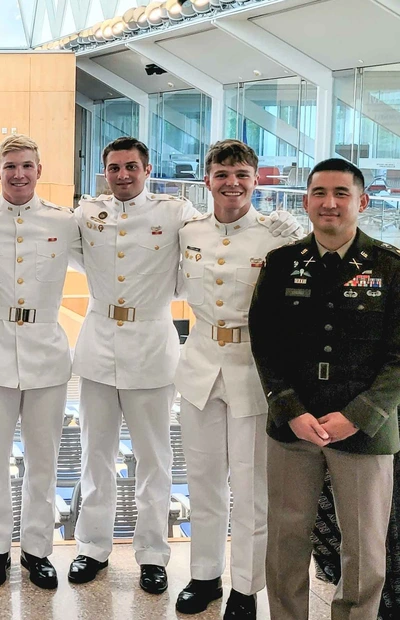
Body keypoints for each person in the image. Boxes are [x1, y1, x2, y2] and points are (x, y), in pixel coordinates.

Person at [69, 136, 300, 594]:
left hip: (160, 349)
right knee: (97, 457)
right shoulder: (90, 214)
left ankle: (155, 555)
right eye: (114, 167)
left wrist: (287, 228)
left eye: (132, 166)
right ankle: (92, 546)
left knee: (157, 460)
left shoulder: (178, 216)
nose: (123, 175)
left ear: (148, 169)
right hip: (101, 348)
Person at [249, 158, 400, 620]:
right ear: (306, 201)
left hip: (365, 427)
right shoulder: (281, 264)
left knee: (364, 547)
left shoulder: (389, 267)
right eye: (319, 193)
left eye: (340, 193)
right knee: (285, 540)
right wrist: (289, 408)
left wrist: (358, 413)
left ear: (362, 202)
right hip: (295, 424)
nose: (329, 203)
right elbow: (265, 342)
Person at [174, 140, 302, 618]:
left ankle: (246, 588)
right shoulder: (189, 232)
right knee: (204, 482)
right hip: (200, 364)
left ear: (255, 180)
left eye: (242, 174)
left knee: (251, 489)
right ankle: (204, 577)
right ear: (207, 180)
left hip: (253, 366)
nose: (232, 183)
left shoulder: (277, 235)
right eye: (223, 174)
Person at [0, 135, 82, 590]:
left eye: (27, 165)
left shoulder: (63, 222)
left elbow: (103, 262)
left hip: (46, 351)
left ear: (39, 169)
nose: (19, 173)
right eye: (10, 166)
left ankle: (37, 550)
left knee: (43, 458)